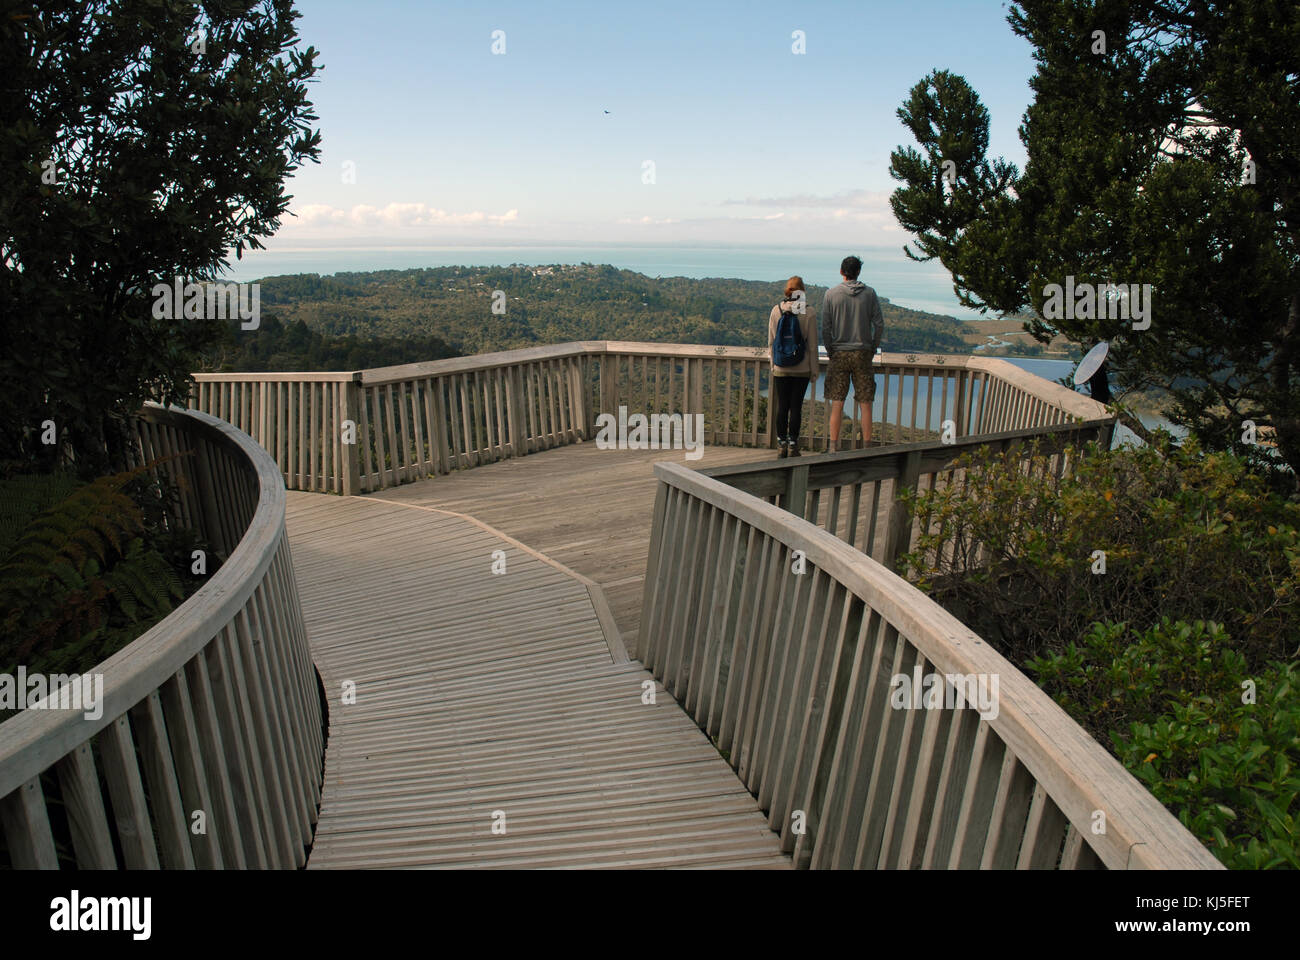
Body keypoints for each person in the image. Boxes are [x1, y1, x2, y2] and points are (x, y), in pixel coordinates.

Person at [820, 255, 883, 451]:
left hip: (839, 353)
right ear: (858, 272)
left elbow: (825, 328)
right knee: (865, 402)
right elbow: (879, 324)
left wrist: (831, 350)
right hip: (863, 353)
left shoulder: (831, 294)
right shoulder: (870, 294)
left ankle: (833, 446)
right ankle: (866, 447)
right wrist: (872, 347)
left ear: (841, 272)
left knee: (837, 402)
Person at [768, 276, 818, 457]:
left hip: (781, 367)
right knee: (796, 406)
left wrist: (773, 365)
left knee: (782, 405)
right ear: (802, 291)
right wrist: (814, 370)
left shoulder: (776, 310)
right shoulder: (809, 312)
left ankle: (781, 444)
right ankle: (793, 444)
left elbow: (771, 342)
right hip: (801, 368)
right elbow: (812, 346)